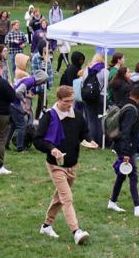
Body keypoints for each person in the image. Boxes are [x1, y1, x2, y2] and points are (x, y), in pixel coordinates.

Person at [33, 86, 98, 244]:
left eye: (72, 101)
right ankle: (76, 231)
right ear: (58, 99)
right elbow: (38, 139)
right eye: (66, 101)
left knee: (59, 197)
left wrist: (90, 141)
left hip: (72, 164)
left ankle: (46, 226)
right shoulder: (49, 116)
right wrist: (52, 149)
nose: (70, 104)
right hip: (56, 165)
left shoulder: (77, 115)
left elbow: (84, 132)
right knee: (67, 198)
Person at [107, 85, 139, 217]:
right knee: (133, 175)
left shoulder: (124, 104)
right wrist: (126, 153)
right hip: (126, 147)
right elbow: (125, 132)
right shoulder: (132, 110)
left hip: (121, 145)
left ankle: (112, 201)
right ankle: (137, 207)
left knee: (122, 175)